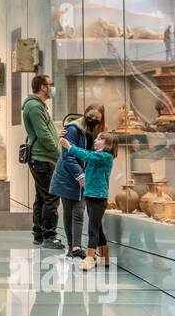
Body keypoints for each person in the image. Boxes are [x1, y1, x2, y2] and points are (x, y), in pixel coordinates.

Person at [50, 103, 106, 259]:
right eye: (91, 116)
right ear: (85, 113)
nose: (93, 119)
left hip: (84, 177)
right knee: (69, 213)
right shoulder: (73, 129)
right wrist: (80, 176)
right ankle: (72, 248)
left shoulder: (95, 132)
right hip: (68, 177)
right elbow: (68, 156)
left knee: (78, 212)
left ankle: (76, 247)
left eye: (97, 118)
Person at [61, 133, 114, 271]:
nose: (96, 140)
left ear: (109, 144)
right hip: (90, 196)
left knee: (93, 229)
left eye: (100, 138)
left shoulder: (106, 157)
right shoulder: (96, 155)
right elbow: (87, 154)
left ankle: (90, 258)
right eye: (97, 138)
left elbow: (87, 156)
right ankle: (105, 258)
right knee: (98, 228)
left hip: (98, 198)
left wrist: (70, 147)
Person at [22, 74, 62, 249]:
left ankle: (38, 231)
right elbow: (43, 134)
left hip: (43, 158)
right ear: (43, 87)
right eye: (51, 85)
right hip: (42, 158)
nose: (53, 88)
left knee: (42, 195)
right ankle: (49, 235)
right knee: (51, 196)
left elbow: (46, 131)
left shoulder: (38, 106)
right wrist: (58, 152)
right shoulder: (34, 106)